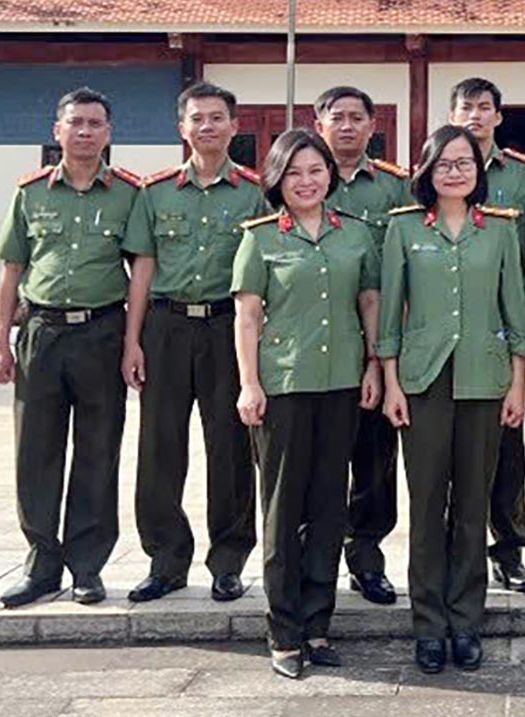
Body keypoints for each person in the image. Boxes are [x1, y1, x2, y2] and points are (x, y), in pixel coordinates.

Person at [378, 125, 525, 675]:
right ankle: (428, 624)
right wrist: (392, 384)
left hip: (484, 382)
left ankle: (466, 622)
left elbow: (516, 312)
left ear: (478, 171)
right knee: (426, 507)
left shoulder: (499, 232)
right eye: (444, 163)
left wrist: (519, 384)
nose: (455, 172)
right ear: (427, 170)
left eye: (465, 162)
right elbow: (390, 316)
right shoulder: (403, 231)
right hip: (422, 384)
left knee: (472, 505)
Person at [233, 129, 382, 679]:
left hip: (341, 383)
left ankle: (318, 624)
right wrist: (250, 384)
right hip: (284, 389)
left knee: (328, 508)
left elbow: (369, 301)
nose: (306, 181)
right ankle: (284, 629)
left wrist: (372, 364)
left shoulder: (355, 237)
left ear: (330, 176)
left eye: (315, 171)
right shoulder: (261, 238)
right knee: (282, 508)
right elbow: (247, 317)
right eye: (294, 172)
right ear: (276, 179)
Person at [0, 88, 142, 608]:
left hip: (102, 332)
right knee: (35, 452)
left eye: (95, 123)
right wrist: (0, 343)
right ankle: (41, 566)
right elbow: (11, 272)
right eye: (75, 123)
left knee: (98, 451)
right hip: (43, 335)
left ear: (108, 133)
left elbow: (140, 269)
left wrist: (132, 343)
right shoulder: (30, 193)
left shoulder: (128, 194)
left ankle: (87, 567)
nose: (85, 132)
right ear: (57, 131)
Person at [122, 82, 267, 605]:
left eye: (217, 118)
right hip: (167, 326)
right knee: (160, 446)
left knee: (229, 446)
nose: (207, 126)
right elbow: (143, 267)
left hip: (227, 327)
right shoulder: (154, 192)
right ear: (182, 127)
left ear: (234, 125)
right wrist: (132, 341)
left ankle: (229, 560)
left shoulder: (254, 192)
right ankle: (165, 559)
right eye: (197, 118)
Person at [447, 77, 525, 595]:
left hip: (501, 328)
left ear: (498, 117)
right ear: (451, 113)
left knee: (507, 450)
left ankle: (508, 551)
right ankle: (451, 552)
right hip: (445, 333)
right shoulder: (434, 170)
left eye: (484, 108)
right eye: (466, 107)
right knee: (449, 454)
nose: (475, 115)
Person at [315, 85, 412, 607]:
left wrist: (387, 356)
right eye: (338, 117)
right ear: (320, 124)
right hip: (317, 338)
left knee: (375, 459)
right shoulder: (301, 179)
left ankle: (367, 557)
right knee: (321, 457)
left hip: (379, 340)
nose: (347, 126)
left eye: (358, 118)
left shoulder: (395, 190)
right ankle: (317, 558)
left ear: (374, 126)